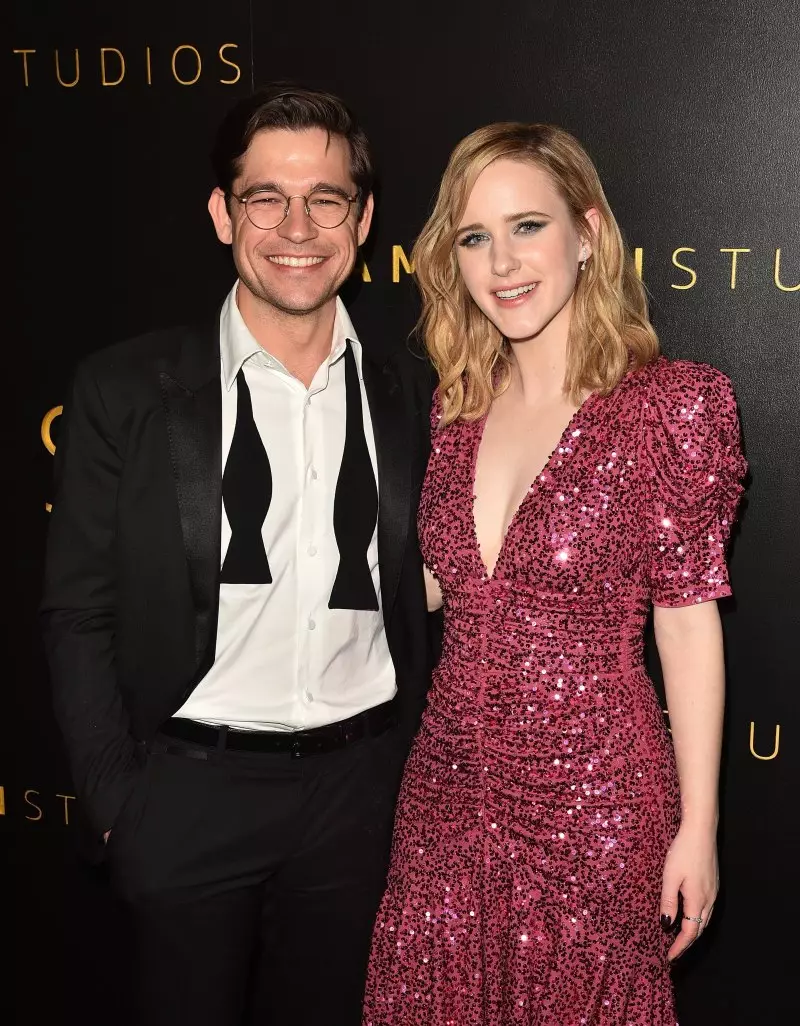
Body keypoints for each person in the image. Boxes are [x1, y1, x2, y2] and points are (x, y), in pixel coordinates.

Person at [39, 85, 435, 1026]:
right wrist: (116, 804)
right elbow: (76, 610)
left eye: (327, 199)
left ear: (364, 219)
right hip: (189, 792)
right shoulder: (126, 389)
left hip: (361, 794)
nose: (296, 225)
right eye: (266, 197)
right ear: (223, 213)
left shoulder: (416, 389)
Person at [363, 122, 746, 1026]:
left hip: (596, 804)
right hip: (445, 795)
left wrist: (699, 826)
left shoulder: (671, 407)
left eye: (527, 226)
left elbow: (687, 626)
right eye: (474, 237)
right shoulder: (455, 412)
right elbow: (441, 594)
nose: (503, 261)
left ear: (589, 233)